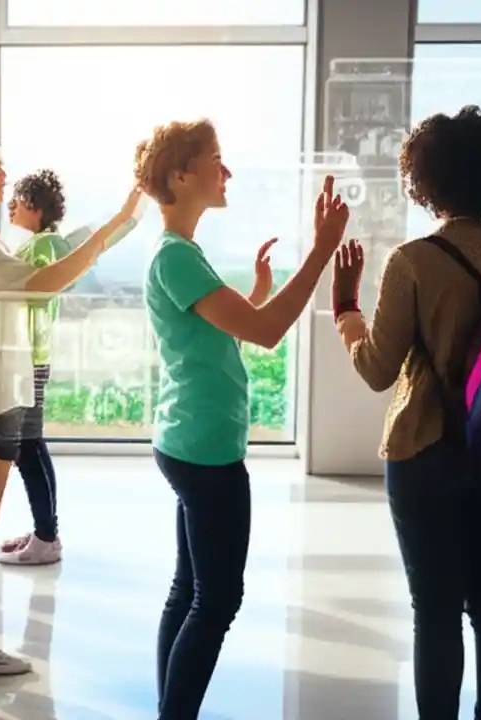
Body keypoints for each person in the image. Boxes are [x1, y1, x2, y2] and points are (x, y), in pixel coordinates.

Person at [332, 105, 481, 720]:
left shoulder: (414, 261)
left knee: (436, 608)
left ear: (425, 181)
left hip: (424, 451)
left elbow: (376, 369)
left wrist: (346, 308)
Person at [0, 130, 142, 712]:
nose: (4, 176)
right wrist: (99, 238)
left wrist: (116, 222)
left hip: (2, 390)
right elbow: (38, 283)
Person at [139, 118, 349, 719]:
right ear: (181, 175)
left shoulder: (181, 254)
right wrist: (321, 251)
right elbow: (266, 332)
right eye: (215, 158)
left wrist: (255, 292)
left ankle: (169, 710)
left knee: (191, 590)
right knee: (217, 599)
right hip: (204, 452)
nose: (226, 170)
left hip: (189, 439)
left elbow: (230, 331)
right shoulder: (176, 257)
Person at [0, 169, 140, 566]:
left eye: (19, 200)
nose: (9, 205)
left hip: (27, 359)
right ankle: (46, 532)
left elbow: (87, 248)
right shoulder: (42, 242)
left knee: (26, 448)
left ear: (36, 207)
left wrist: (130, 211)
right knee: (32, 445)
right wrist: (128, 213)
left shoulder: (43, 245)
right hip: (31, 357)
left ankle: (46, 537)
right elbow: (95, 239)